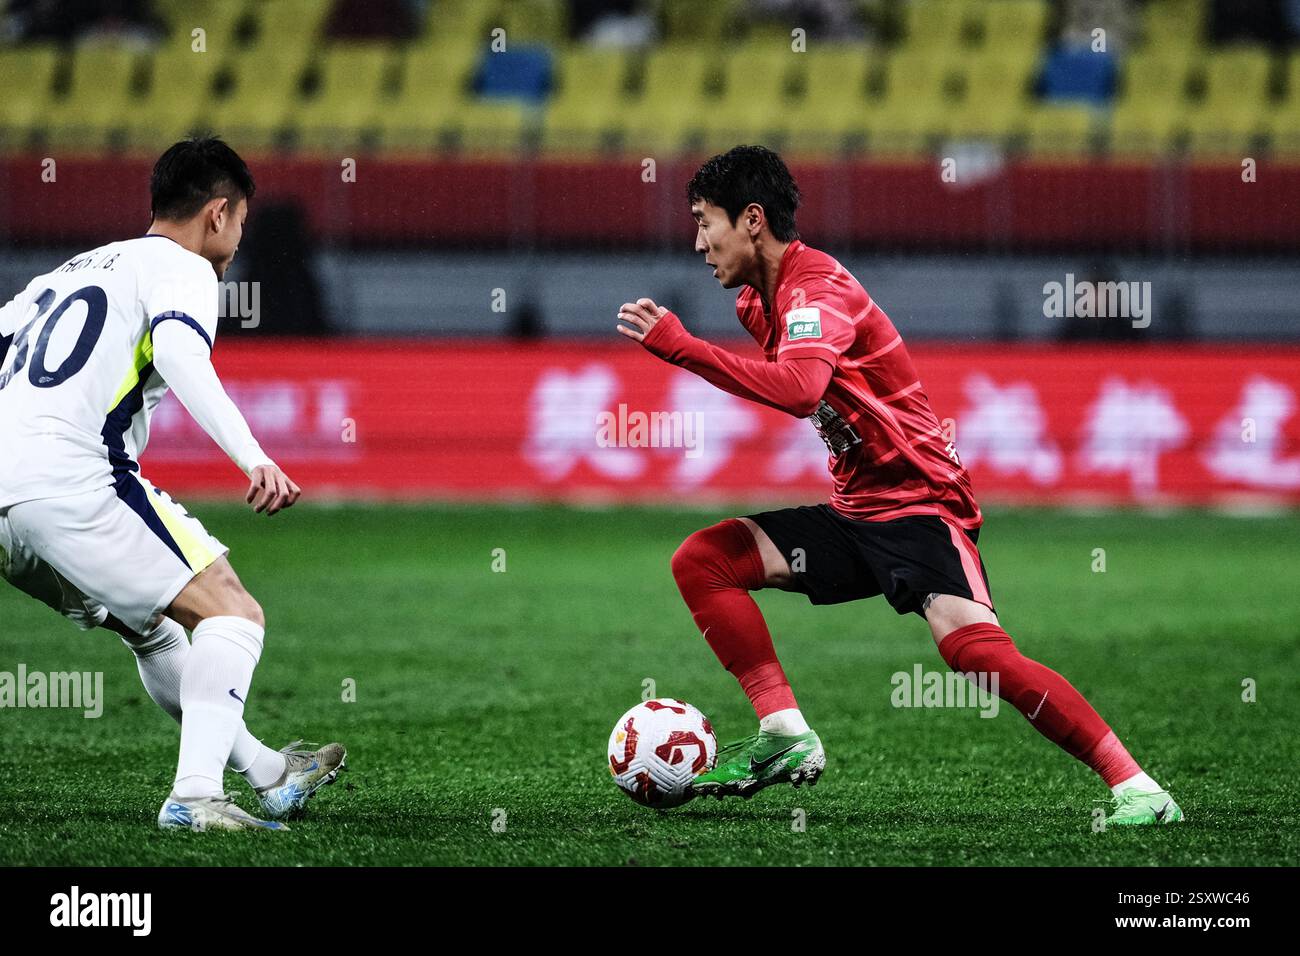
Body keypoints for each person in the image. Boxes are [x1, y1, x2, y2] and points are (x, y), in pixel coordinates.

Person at [615, 145, 1181, 826]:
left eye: (708, 222)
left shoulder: (815, 289)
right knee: (705, 560)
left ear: (753, 220)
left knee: (976, 654)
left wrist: (682, 346)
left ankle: (1139, 789)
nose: (699, 243)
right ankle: (786, 733)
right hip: (857, 511)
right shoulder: (755, 305)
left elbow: (800, 390)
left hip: (920, 506)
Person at [0, 136, 344, 832]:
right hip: (74, 480)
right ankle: (193, 796)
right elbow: (184, 356)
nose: (239, 238)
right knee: (233, 612)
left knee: (155, 629)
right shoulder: (185, 269)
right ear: (217, 213)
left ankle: (273, 775)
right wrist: (252, 456)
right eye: (241, 222)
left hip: (8, 503)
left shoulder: (62, 275)